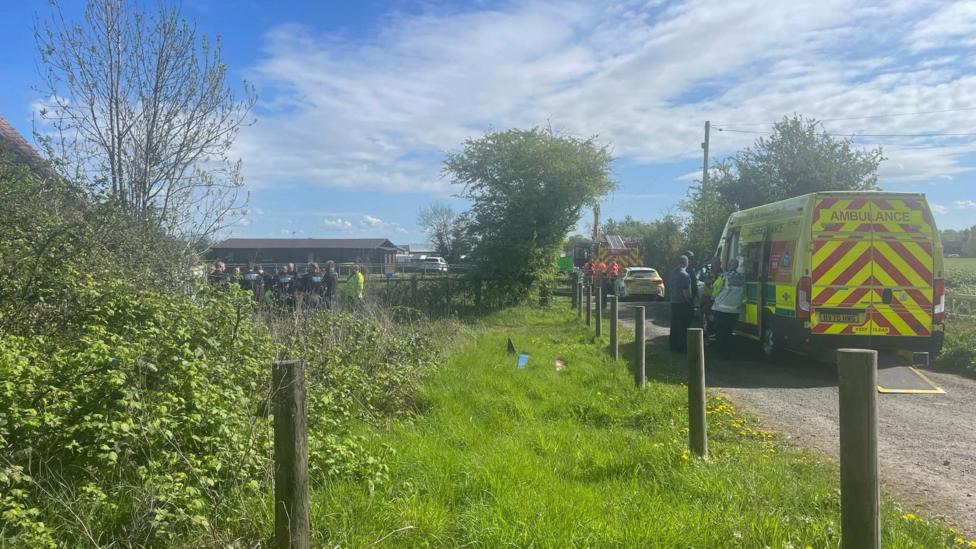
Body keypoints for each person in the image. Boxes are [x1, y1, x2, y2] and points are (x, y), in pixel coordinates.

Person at [712, 258, 745, 359]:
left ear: (729, 265)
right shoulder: (742, 278)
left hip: (721, 309)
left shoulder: (723, 276)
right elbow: (743, 294)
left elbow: (715, 289)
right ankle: (727, 353)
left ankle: (720, 353)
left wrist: (713, 297)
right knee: (729, 332)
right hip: (734, 310)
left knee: (720, 332)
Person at [668, 255, 694, 352]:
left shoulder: (672, 272)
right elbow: (685, 291)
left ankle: (673, 346)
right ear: (686, 263)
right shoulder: (685, 275)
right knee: (682, 326)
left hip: (673, 301)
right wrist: (690, 301)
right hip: (682, 303)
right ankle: (681, 347)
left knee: (674, 324)